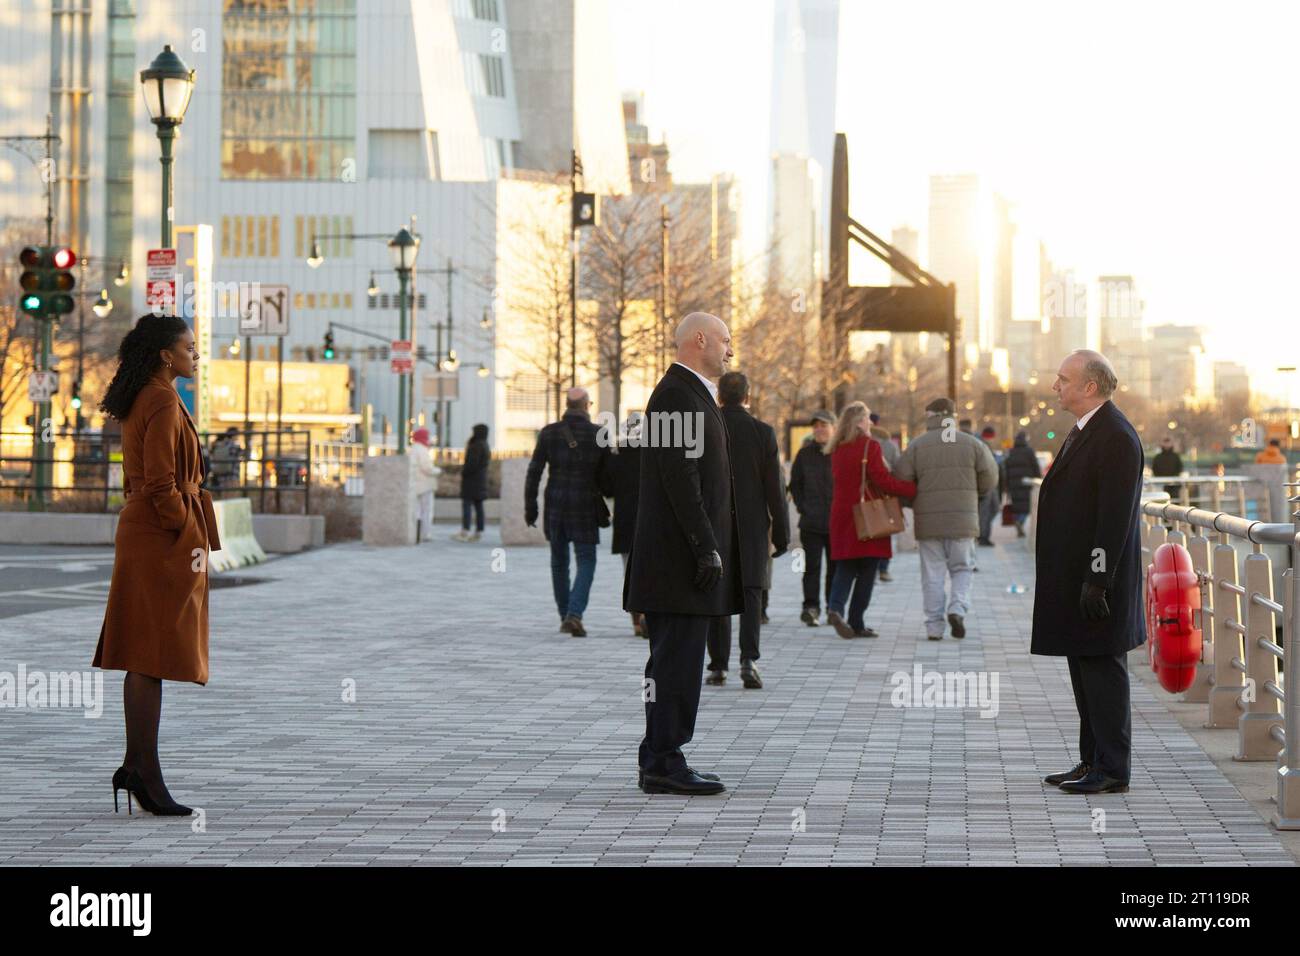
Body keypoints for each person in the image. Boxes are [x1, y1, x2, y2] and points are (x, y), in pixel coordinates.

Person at [93, 314, 221, 817]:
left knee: (147, 654)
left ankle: (136, 766)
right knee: (151, 655)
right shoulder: (164, 398)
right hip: (161, 535)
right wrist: (182, 529)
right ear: (166, 354)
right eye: (189, 346)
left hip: (147, 531)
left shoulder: (145, 394)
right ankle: (144, 771)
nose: (196, 353)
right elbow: (162, 482)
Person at [625, 312, 741, 795]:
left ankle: (661, 756)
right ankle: (663, 760)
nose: (730, 351)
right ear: (700, 340)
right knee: (675, 664)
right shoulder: (676, 393)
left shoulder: (691, 393)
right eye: (725, 340)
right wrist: (705, 547)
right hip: (678, 564)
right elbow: (680, 479)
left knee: (677, 662)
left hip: (681, 563)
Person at [1034, 350, 1146, 795]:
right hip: (1079, 577)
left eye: (1063, 379)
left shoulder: (1115, 436)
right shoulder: (1089, 430)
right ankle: (1091, 760)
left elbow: (1114, 517)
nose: (1055, 385)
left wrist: (1098, 579)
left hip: (1098, 582)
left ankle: (1113, 769)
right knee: (1085, 669)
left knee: (1103, 672)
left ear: (1090, 387)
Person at [705, 372, 789, 689]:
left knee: (717, 592)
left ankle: (717, 666)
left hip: (714, 524)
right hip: (753, 526)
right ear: (747, 397)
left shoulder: (706, 428)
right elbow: (775, 490)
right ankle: (748, 660)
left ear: (720, 397)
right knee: (752, 592)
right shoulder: (763, 433)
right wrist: (781, 534)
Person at [894, 397, 999, 640]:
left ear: (929, 417)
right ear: (951, 415)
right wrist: (976, 495)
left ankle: (934, 627)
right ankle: (957, 608)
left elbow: (901, 478)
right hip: (964, 521)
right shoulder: (972, 444)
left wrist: (914, 501)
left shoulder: (918, 445)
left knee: (932, 574)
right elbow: (990, 477)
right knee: (963, 568)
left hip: (928, 522)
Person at [525, 387, 613, 637]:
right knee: (586, 560)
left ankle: (565, 614)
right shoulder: (600, 434)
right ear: (587, 405)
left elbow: (534, 471)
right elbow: (608, 480)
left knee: (558, 562)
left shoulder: (549, 433)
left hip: (556, 503)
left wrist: (530, 506)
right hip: (585, 504)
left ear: (566, 404)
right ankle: (574, 614)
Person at [825, 402, 917, 639]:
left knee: (845, 567)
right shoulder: (870, 447)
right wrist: (911, 488)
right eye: (866, 419)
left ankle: (835, 608)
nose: (870, 423)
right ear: (858, 422)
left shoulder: (836, 448)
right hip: (868, 515)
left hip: (842, 514)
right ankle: (856, 622)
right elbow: (883, 480)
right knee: (867, 570)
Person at [789, 410, 836, 625]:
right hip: (811, 522)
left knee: (835, 569)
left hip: (837, 523)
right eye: (816, 426)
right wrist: (803, 507)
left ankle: (833, 608)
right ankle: (811, 608)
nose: (819, 429)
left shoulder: (840, 452)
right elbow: (795, 485)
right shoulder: (804, 454)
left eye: (823, 425)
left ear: (833, 428)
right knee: (811, 568)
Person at [610, 413, 645, 637]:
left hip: (625, 519)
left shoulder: (617, 455)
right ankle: (648, 616)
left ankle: (635, 620)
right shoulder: (655, 453)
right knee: (649, 571)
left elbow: (608, 487)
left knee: (629, 573)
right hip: (650, 520)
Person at [869, 412, 901, 582]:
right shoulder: (889, 444)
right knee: (885, 532)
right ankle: (883, 569)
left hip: (864, 495)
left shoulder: (856, 441)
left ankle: (869, 570)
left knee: (867, 531)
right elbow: (897, 467)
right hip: (885, 494)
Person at [453, 423, 490, 542]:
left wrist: (463, 472)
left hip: (471, 481)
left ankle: (465, 530)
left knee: (467, 505)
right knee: (479, 507)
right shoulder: (485, 445)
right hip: (480, 480)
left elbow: (471, 464)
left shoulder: (476, 446)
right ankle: (479, 531)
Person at [1003, 430, 1041, 538]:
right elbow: (1035, 466)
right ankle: (1020, 522)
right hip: (1026, 483)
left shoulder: (1011, 452)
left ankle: (1017, 521)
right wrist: (1038, 477)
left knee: (1016, 506)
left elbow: (1006, 469)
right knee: (1027, 507)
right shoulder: (1029, 451)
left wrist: (1006, 484)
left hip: (1013, 484)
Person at [977, 426, 1007, 547]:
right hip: (987, 483)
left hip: (993, 483)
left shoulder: (985, 445)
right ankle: (983, 536)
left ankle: (982, 532)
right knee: (985, 511)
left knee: (993, 509)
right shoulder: (981, 444)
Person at [410, 427, 438, 543]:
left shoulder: (413, 449)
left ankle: (415, 533)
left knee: (417, 510)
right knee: (427, 510)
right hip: (425, 484)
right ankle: (425, 534)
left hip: (415, 484)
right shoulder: (422, 450)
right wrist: (437, 471)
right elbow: (427, 468)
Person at [209, 427, 243, 492]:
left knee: (225, 498)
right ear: (234, 435)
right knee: (232, 498)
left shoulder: (220, 444)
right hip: (232, 475)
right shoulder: (234, 446)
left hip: (221, 475)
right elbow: (244, 454)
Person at [1150, 435, 1182, 501]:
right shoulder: (1157, 457)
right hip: (1161, 485)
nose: (1167, 445)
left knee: (1174, 503)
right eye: (1165, 442)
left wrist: (1173, 479)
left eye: (1168, 442)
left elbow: (1179, 469)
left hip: (1174, 486)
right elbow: (1154, 469)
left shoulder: (1176, 457)